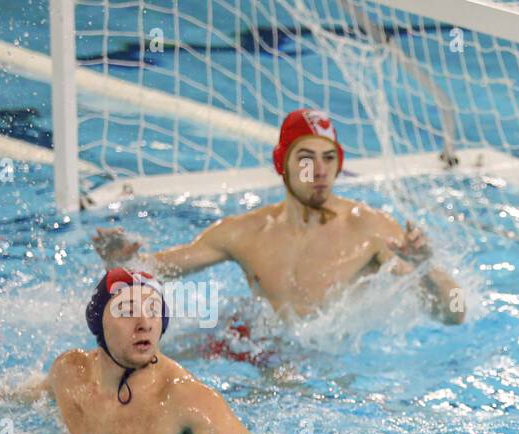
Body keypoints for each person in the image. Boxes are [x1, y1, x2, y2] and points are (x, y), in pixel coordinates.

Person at [91, 108, 466, 336]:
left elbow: (453, 315)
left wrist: (426, 268)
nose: (320, 171)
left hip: (331, 374)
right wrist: (119, 264)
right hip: (258, 350)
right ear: (280, 162)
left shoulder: (370, 231)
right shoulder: (242, 232)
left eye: (329, 158)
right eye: (306, 158)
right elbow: (153, 273)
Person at [38, 268, 251, 434]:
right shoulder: (69, 372)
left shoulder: (186, 398)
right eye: (128, 311)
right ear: (98, 322)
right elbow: (24, 400)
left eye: (153, 311)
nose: (145, 324)